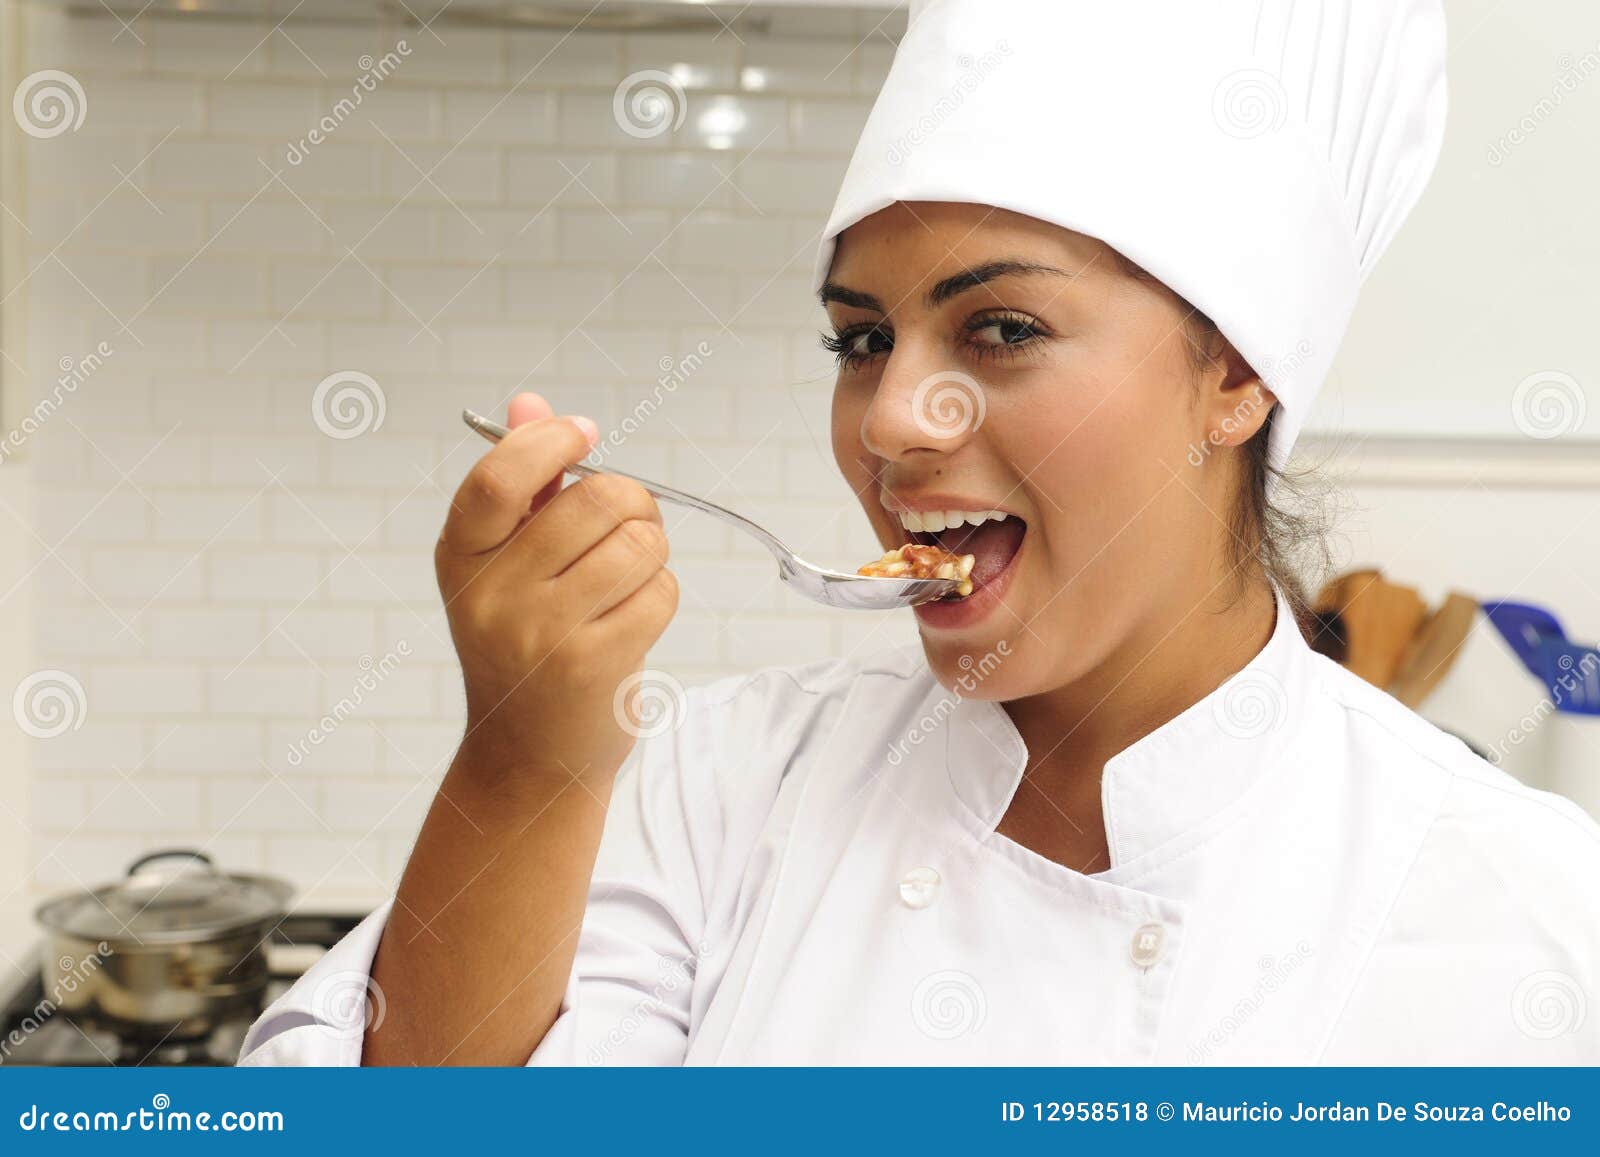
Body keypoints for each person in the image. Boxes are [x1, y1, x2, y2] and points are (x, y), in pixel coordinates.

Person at [240, 0, 1600, 1065]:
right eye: (861, 339)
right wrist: (521, 758)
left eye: (1000, 327)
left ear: (1238, 374)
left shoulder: (1529, 916)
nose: (890, 419)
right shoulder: (714, 787)